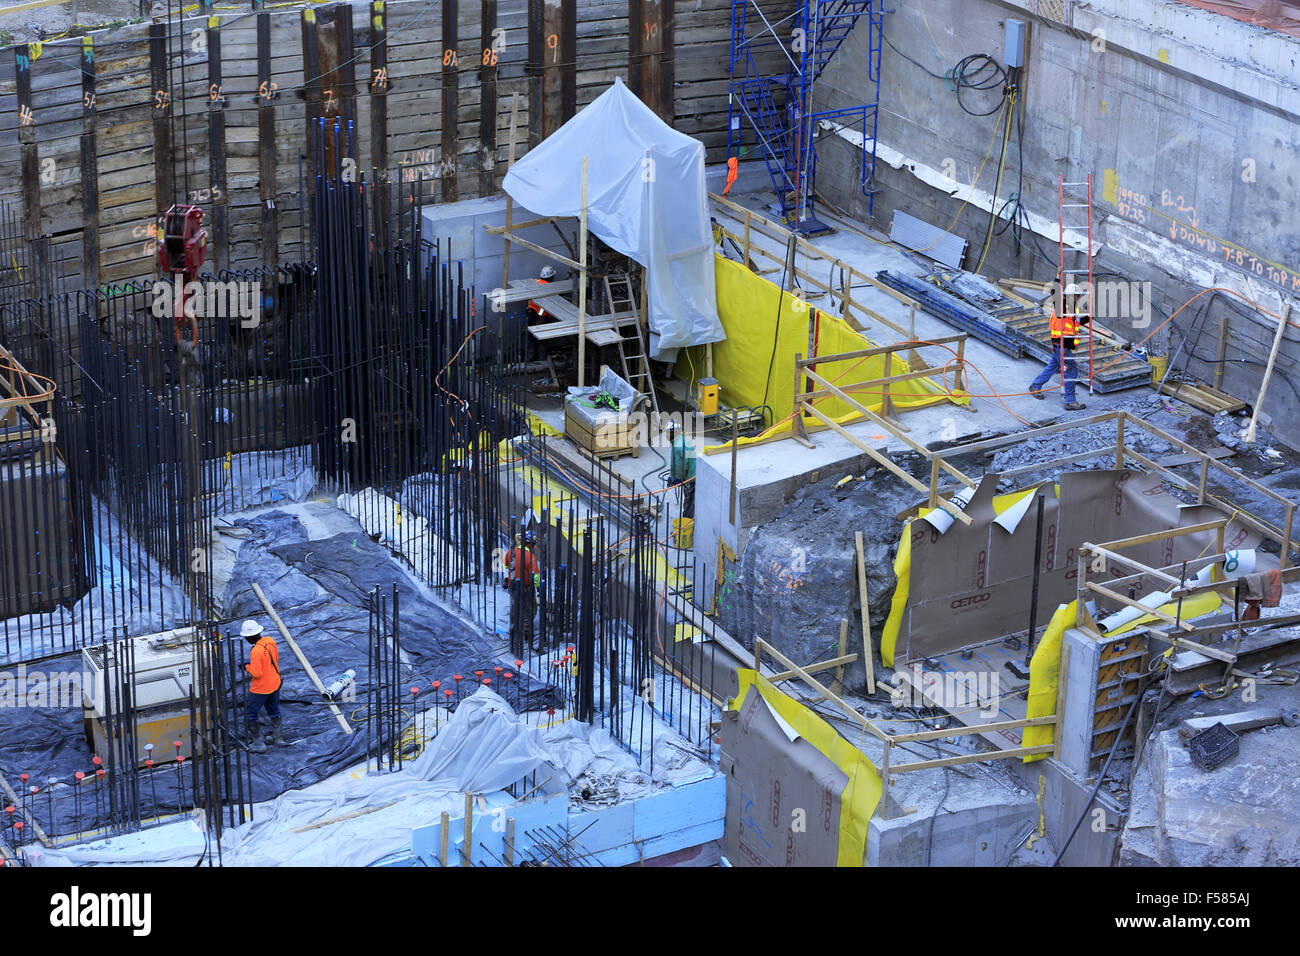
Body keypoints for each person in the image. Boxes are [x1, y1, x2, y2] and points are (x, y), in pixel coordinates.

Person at [1029, 283, 1090, 410]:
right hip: (1062, 345)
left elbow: (1077, 321)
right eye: (1077, 295)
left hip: (1061, 346)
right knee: (1071, 371)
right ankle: (1070, 401)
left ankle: (1035, 385)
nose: (1079, 298)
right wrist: (1058, 274)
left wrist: (1090, 315)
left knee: (1053, 366)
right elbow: (1055, 292)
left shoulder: (1072, 309)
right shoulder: (1061, 306)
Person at [241, 619, 283, 753]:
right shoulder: (270, 641)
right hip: (275, 683)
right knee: (274, 709)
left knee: (250, 714)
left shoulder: (255, 651)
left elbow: (257, 673)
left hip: (261, 688)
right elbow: (273, 659)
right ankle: (277, 738)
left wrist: (247, 666)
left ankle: (259, 745)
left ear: (249, 637)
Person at [504, 532, 541, 655]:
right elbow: (535, 576)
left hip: (512, 586)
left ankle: (515, 631)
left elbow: (506, 567)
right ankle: (525, 632)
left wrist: (507, 579)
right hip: (525, 588)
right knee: (530, 610)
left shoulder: (510, 552)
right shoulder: (530, 556)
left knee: (515, 609)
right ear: (530, 543)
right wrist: (539, 588)